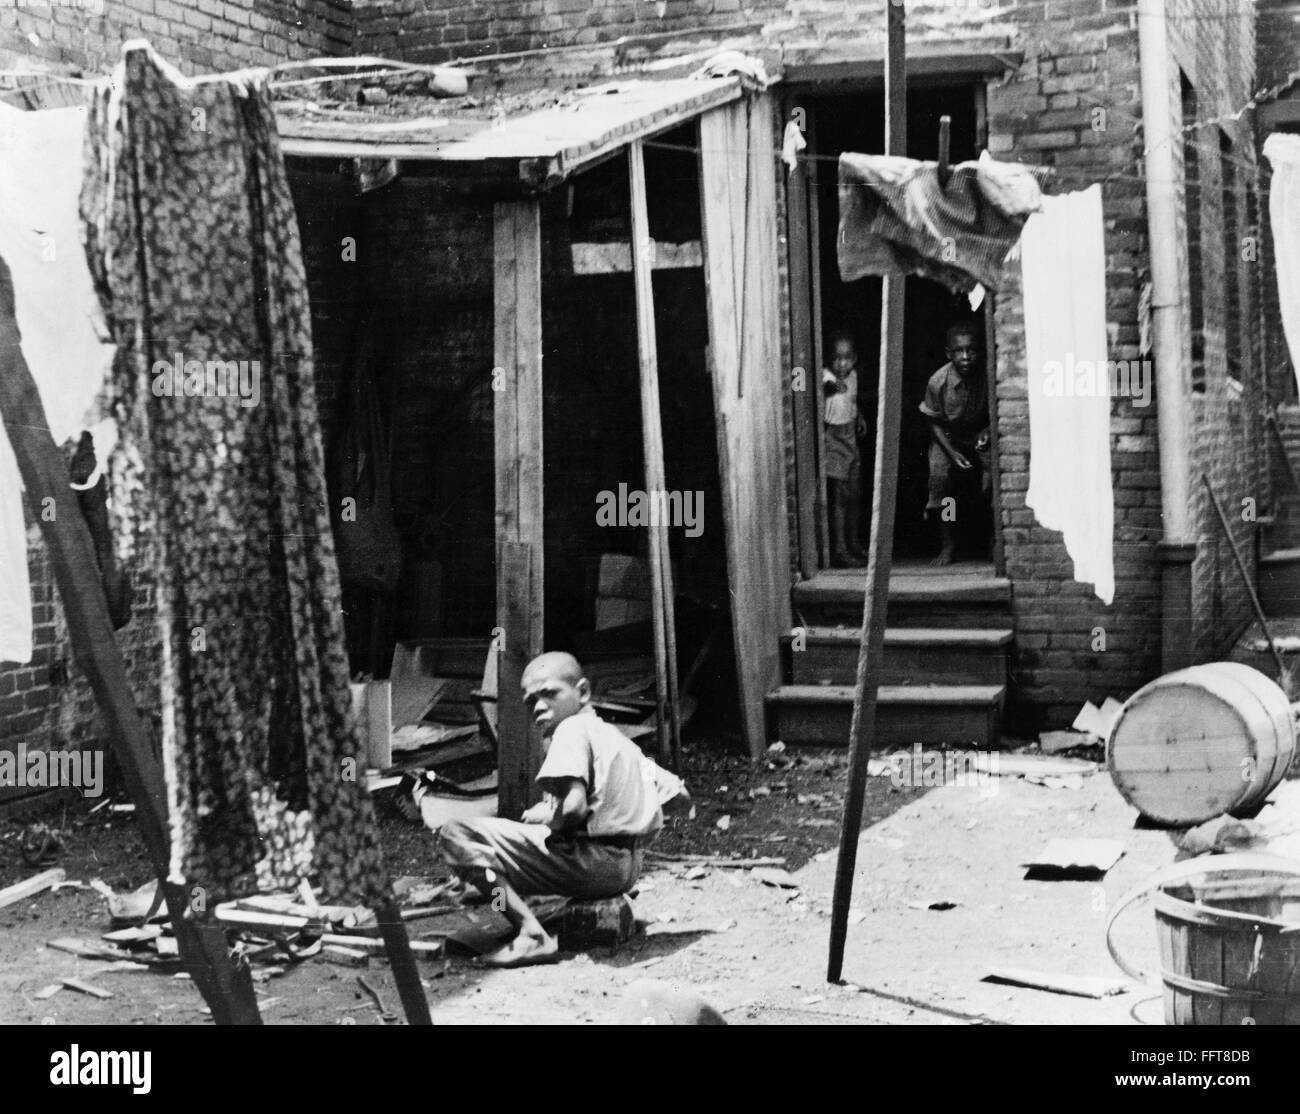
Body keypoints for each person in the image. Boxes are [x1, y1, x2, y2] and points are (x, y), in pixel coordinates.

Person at [431, 651, 663, 968]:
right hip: (628, 867)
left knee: (457, 834)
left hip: (595, 866)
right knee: (519, 842)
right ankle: (535, 915)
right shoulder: (617, 738)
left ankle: (530, 933)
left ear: (582, 692)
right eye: (531, 701)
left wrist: (551, 820)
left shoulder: (570, 730)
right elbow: (679, 797)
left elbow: (574, 808)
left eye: (549, 693)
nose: (539, 706)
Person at [920, 323, 991, 566]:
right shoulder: (937, 381)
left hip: (980, 435)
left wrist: (988, 431)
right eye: (959, 351)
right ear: (949, 353)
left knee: (991, 482)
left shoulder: (989, 374)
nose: (965, 356)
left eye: (970, 350)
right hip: (947, 438)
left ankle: (994, 540)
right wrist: (951, 453)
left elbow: (999, 410)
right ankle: (948, 545)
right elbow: (933, 422)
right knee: (940, 482)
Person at [823, 330, 868, 567]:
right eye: (836, 358)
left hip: (850, 435)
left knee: (854, 495)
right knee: (839, 497)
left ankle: (854, 544)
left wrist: (858, 415)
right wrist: (830, 387)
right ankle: (840, 549)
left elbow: (850, 399)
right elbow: (823, 392)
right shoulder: (826, 377)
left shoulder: (853, 377)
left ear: (855, 358)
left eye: (847, 358)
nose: (841, 364)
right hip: (833, 438)